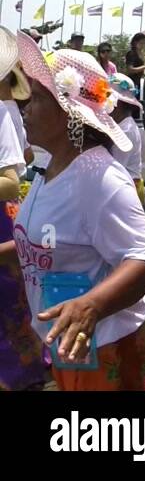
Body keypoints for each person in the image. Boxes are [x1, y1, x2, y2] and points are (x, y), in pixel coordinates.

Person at [3, 31, 145, 390]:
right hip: (70, 345)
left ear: (70, 115)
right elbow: (47, 244)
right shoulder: (51, 171)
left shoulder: (100, 180)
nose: (25, 107)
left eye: (38, 98)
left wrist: (90, 305)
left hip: (106, 346)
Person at [0, 27, 44, 391]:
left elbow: (12, 180)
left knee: (12, 305)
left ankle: (24, 376)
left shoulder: (2, 111)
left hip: (4, 214)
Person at [108, 74, 145, 207]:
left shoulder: (126, 130)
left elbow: (115, 166)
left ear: (118, 104)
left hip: (128, 188)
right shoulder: (121, 125)